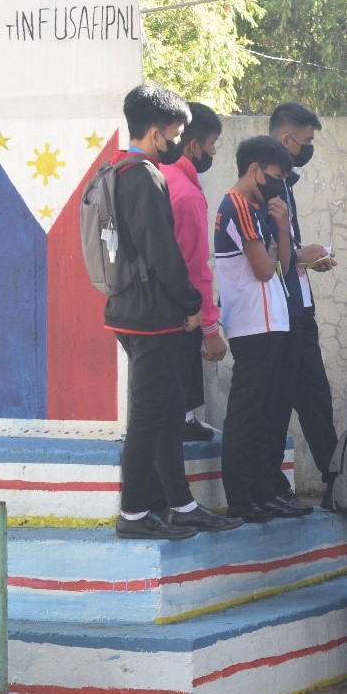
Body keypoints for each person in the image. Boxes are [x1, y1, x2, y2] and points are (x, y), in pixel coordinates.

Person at [107, 85, 241, 540]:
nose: (180, 142)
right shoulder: (146, 177)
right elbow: (165, 255)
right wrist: (192, 308)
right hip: (155, 318)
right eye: (177, 133)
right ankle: (133, 513)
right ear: (156, 132)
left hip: (130, 309)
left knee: (168, 411)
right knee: (149, 417)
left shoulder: (119, 169)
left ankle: (181, 505)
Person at [214, 136, 307, 524]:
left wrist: (282, 225)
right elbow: (265, 270)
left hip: (273, 321)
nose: (280, 185)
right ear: (254, 170)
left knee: (268, 413)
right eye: (276, 176)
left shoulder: (259, 209)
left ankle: (264, 491)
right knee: (246, 415)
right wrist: (271, 253)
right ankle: (241, 497)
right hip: (252, 325)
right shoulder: (236, 205)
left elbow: (283, 263)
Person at [267, 102, 340, 509]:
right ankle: (273, 485)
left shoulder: (285, 185)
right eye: (306, 141)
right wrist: (299, 255)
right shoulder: (266, 188)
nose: (308, 149)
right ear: (285, 140)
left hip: (298, 306)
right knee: (281, 403)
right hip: (281, 313)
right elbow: (261, 253)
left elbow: (286, 250)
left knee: (314, 400)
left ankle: (336, 483)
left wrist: (309, 260)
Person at [159, 102, 225, 442]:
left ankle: (184, 419)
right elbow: (196, 267)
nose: (213, 152)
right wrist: (210, 326)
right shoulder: (186, 194)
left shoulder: (159, 176)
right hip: (178, 309)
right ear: (194, 145)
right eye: (212, 144)